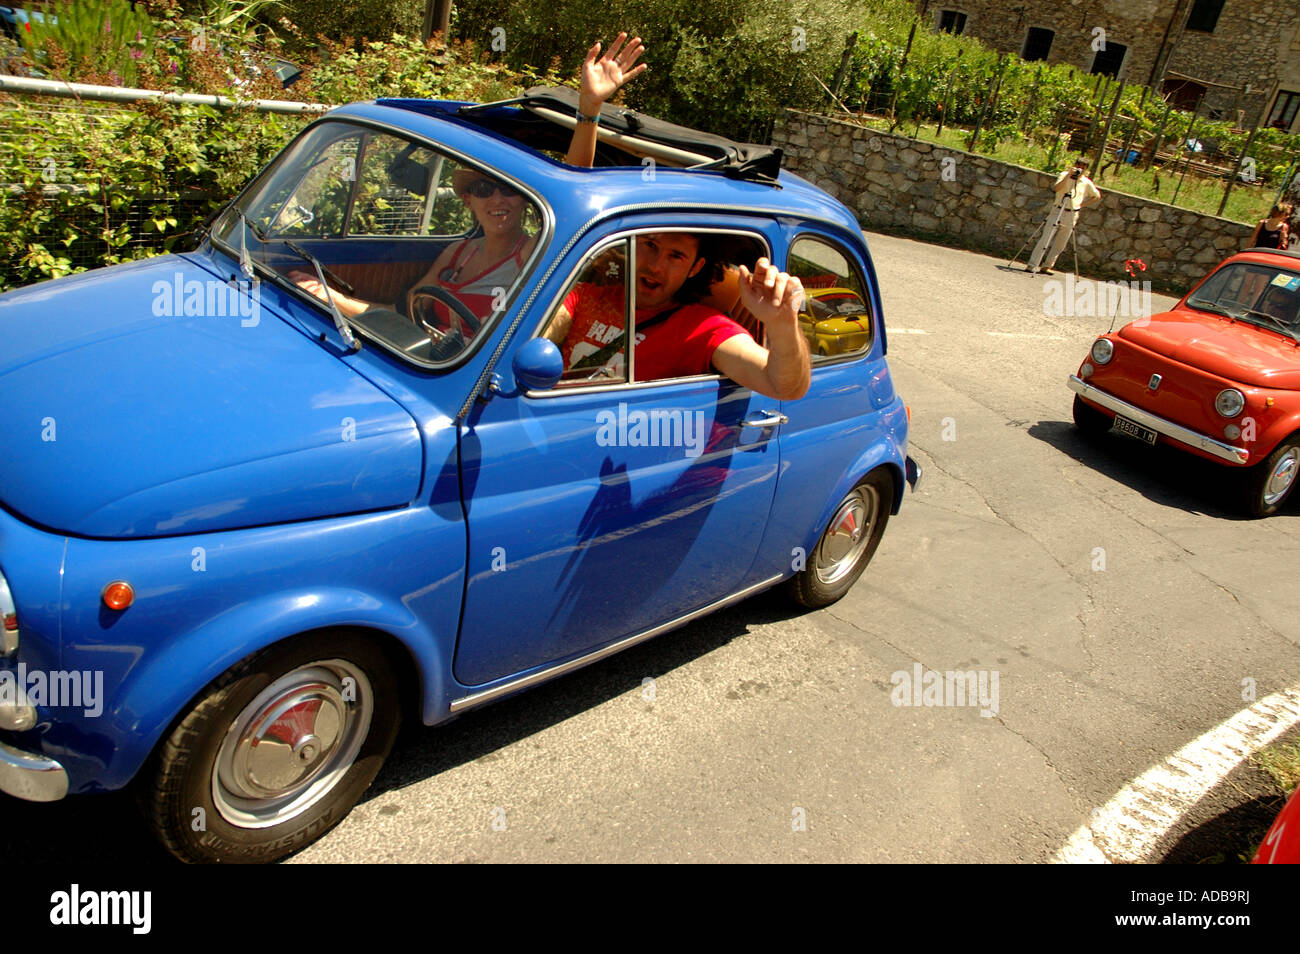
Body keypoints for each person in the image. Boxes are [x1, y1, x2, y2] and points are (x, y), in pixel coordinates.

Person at [290, 33, 649, 333]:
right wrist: (331, 298)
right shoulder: (456, 253)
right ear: (468, 201)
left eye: (509, 188)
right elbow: (404, 314)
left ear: (525, 199)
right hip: (425, 360)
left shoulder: (530, 253)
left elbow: (574, 185)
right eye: (482, 189)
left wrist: (589, 110)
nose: (497, 198)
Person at [544, 231, 811, 401]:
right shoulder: (585, 296)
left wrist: (782, 324)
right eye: (650, 245)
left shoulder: (701, 328)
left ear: (695, 268)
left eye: (676, 256)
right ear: (632, 244)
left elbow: (783, 386)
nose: (655, 266)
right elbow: (537, 331)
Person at [1028, 156, 1101, 275]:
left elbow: (1096, 196)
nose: (1079, 169)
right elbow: (1056, 188)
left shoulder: (1086, 182)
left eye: (1082, 167)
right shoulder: (1064, 175)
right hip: (1058, 210)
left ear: (1086, 169)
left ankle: (1047, 265)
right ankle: (1032, 264)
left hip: (1072, 213)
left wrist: (1082, 205)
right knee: (1046, 238)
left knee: (1061, 242)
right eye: (1078, 166)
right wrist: (1068, 176)